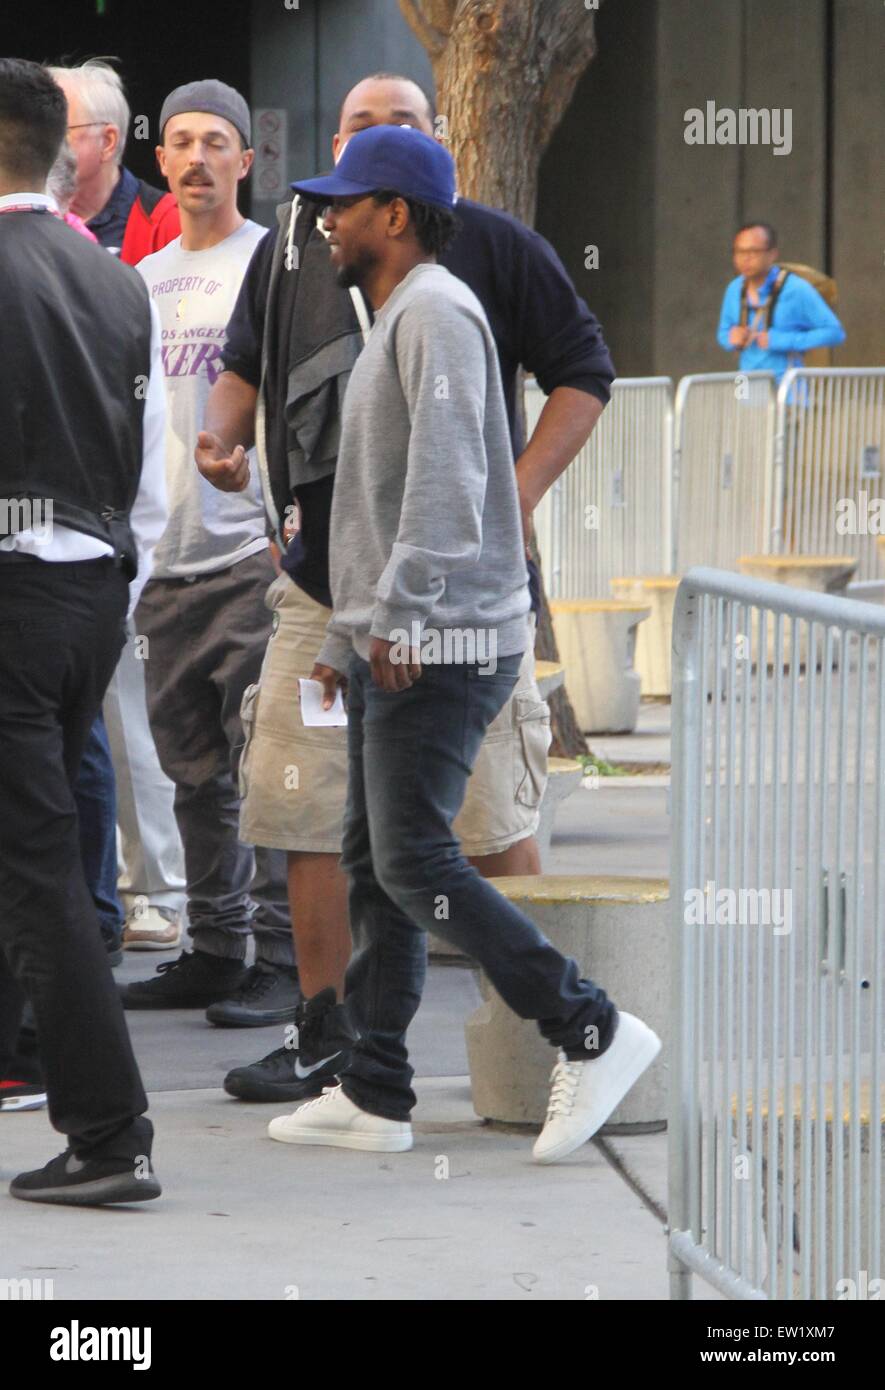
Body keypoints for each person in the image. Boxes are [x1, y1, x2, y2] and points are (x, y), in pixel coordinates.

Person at [197, 74, 615, 1096]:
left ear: (399, 208)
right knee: (356, 842)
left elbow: (443, 482)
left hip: (436, 631)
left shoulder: (442, 306)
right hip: (365, 616)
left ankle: (577, 1028)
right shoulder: (362, 288)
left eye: (348, 195)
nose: (326, 213)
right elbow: (331, 470)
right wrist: (346, 637)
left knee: (429, 853)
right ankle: (366, 1076)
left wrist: (413, 606)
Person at [0, 58, 165, 1202]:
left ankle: (110, 1133)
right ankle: (52, 1081)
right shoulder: (116, 283)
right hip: (89, 593)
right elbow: (145, 480)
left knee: (42, 864)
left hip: (17, 595)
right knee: (39, 853)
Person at [120, 81, 299, 1024]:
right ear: (161, 160)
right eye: (181, 141)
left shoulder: (273, 264)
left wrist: (281, 526)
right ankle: (216, 945)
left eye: (215, 142)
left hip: (248, 561)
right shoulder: (136, 283)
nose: (196, 158)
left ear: (245, 159)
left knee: (264, 767)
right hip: (163, 565)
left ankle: (278, 953)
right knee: (191, 773)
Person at [51, 58, 186, 954]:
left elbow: (148, 412)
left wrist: (133, 550)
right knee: (89, 730)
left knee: (122, 728)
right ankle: (111, 900)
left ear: (103, 141)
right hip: (98, 540)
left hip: (119, 538)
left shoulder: (150, 229)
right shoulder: (65, 235)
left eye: (58, 124)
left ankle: (154, 894)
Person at [717, 221, 845, 383]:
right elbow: (723, 333)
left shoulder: (796, 289)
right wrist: (730, 338)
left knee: (782, 408)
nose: (746, 258)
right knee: (741, 408)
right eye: (739, 252)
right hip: (745, 382)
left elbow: (835, 333)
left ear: (772, 254)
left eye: (754, 251)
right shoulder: (734, 289)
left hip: (787, 388)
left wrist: (782, 340)